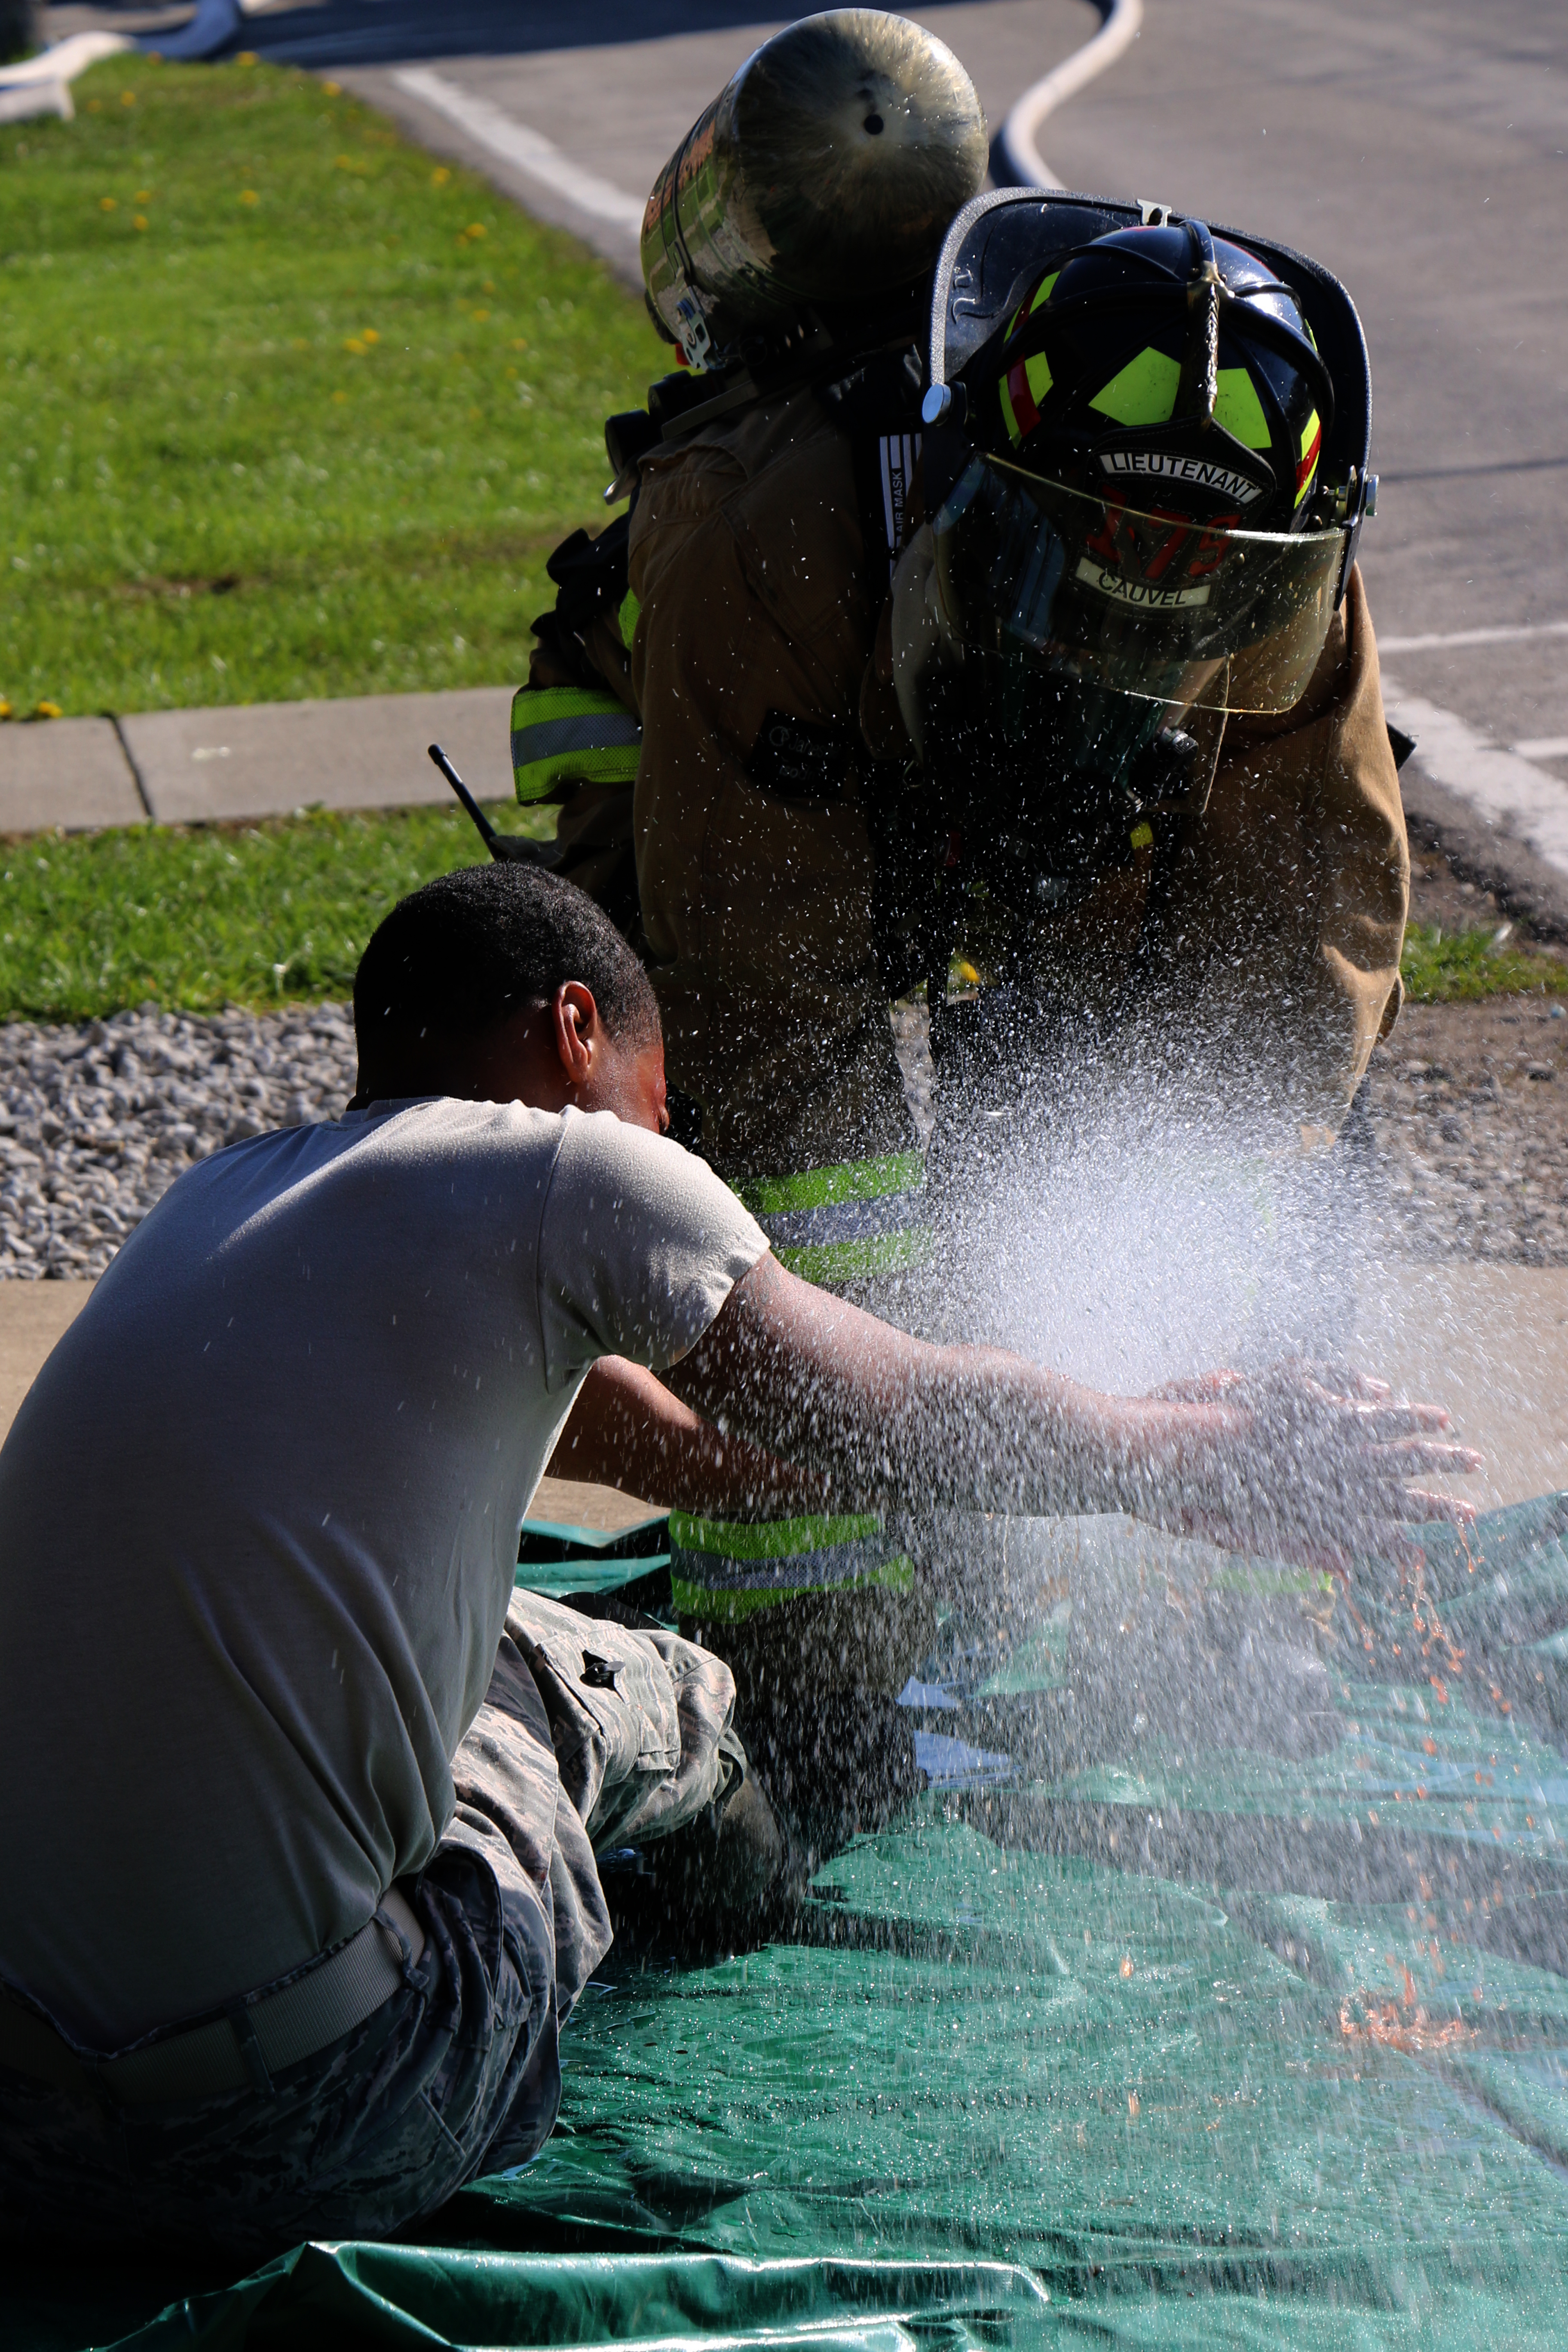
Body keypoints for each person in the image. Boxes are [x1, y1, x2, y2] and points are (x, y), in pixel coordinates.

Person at [0, 860, 1469, 2254]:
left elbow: (664, 1447)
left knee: (449, 1640)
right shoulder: (564, 1173)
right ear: (577, 1031)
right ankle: (740, 1883)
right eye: (660, 1103)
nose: (663, 1135)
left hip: (27, 2139)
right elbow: (905, 1408)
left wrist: (1132, 1418)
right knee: (630, 1688)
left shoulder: (225, 1205)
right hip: (313, 2127)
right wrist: (1180, 1462)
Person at [511, 22, 1408, 1816]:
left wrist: (1196, 1347)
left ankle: (1207, 1606)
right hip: (752, 765)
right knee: (744, 1169)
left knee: (1158, 1105)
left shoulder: (1262, 565)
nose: (1163, 626)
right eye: (1110, 582)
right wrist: (895, 1431)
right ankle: (801, 1665)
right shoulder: (773, 529)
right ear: (988, 495)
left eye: (1200, 596)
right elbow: (775, 1035)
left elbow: (1305, 949)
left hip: (996, 749)